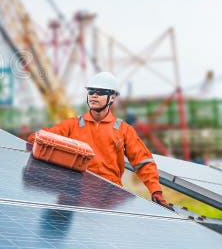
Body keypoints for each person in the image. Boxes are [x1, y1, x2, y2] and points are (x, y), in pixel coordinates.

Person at [33, 72, 171, 208]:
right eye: (91, 91)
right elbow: (39, 138)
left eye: (100, 92)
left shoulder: (123, 130)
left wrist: (156, 191)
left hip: (108, 198)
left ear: (112, 97)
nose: (94, 95)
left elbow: (143, 161)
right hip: (75, 196)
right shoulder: (72, 125)